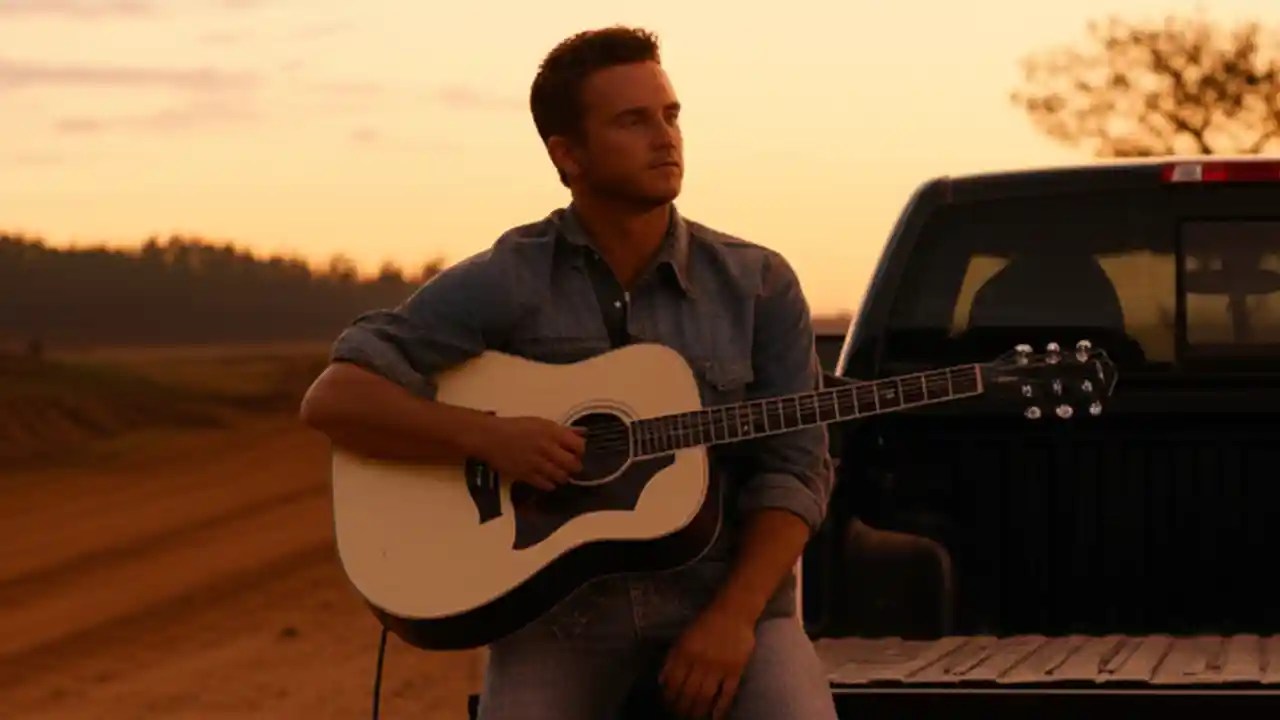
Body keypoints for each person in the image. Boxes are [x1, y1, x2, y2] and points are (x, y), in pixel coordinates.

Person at [299, 25, 837, 720]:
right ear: (568, 155)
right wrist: (485, 438)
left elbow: (796, 469)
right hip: (561, 618)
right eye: (633, 120)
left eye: (670, 115)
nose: (666, 137)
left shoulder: (757, 282)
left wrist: (733, 619)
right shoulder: (512, 277)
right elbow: (335, 398)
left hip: (728, 604)